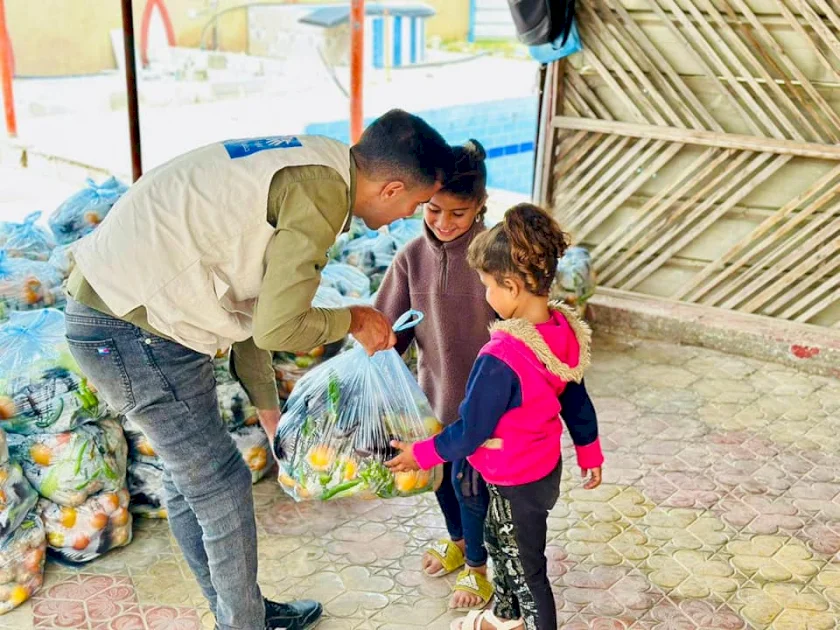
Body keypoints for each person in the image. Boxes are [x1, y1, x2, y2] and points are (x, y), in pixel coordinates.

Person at [61, 110, 454, 630]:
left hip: (135, 317)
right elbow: (277, 326)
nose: (409, 216)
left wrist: (269, 412)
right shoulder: (319, 193)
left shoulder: (320, 163)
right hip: (130, 328)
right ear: (392, 188)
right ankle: (241, 623)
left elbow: (254, 317)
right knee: (219, 482)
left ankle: (241, 612)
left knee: (193, 479)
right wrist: (353, 318)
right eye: (415, 204)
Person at [386, 204, 605, 630]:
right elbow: (576, 398)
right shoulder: (561, 330)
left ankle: (529, 620)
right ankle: (504, 618)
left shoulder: (501, 355)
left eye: (488, 286)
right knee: (503, 547)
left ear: (512, 285)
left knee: (527, 571)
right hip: (543, 472)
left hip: (513, 480)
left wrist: (423, 454)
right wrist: (589, 451)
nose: (486, 295)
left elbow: (469, 432)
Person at [374, 139, 496, 611]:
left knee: (474, 487)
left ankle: (479, 570)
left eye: (459, 215)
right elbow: (388, 329)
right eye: (433, 211)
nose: (444, 224)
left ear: (481, 207)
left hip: (487, 405)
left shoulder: (494, 256)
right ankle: (460, 542)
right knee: (442, 479)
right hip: (435, 397)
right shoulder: (410, 258)